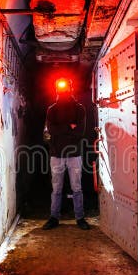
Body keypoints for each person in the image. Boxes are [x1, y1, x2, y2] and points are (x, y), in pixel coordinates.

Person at [42, 78, 90, 230]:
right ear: (56, 90)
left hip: (74, 155)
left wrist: (61, 130)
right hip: (57, 155)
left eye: (65, 88)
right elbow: (51, 130)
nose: (63, 91)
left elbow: (80, 132)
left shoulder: (79, 108)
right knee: (56, 189)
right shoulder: (52, 109)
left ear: (71, 88)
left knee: (76, 187)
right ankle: (54, 217)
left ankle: (80, 218)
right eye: (60, 88)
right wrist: (70, 127)